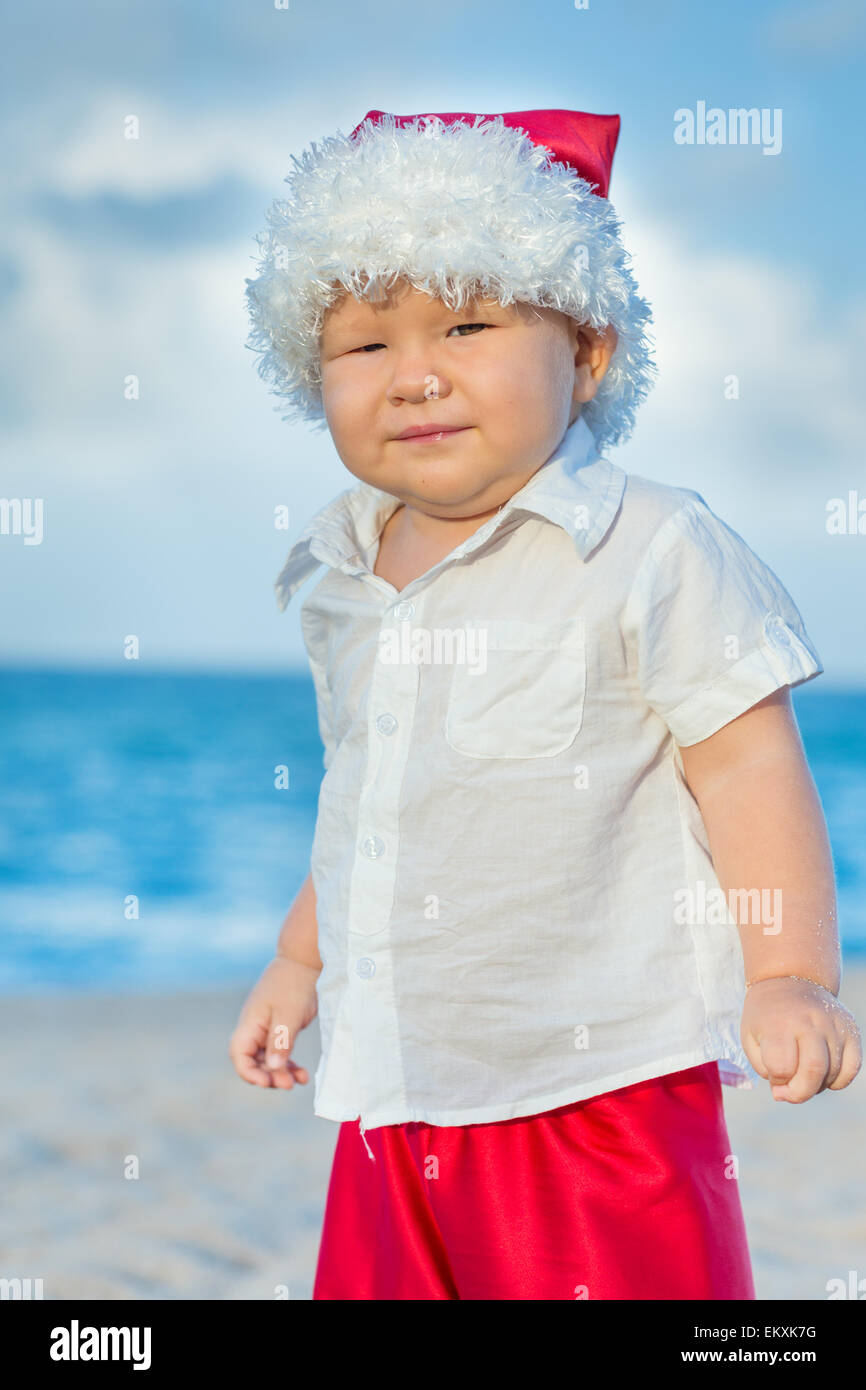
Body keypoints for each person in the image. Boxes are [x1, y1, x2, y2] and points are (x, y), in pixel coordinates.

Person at [229, 108, 862, 1300]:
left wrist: (788, 972)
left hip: (598, 1088)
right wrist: (296, 960)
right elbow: (369, 795)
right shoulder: (338, 574)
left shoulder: (652, 545)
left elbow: (743, 768)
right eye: (363, 344)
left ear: (584, 355)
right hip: (393, 1089)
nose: (414, 372)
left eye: (467, 324)